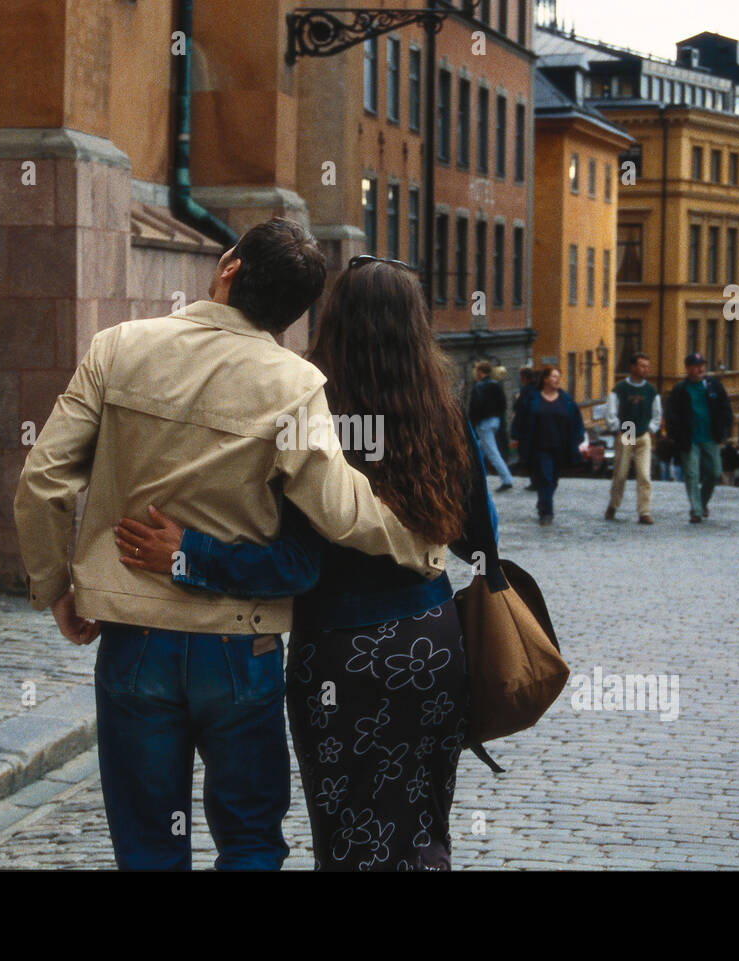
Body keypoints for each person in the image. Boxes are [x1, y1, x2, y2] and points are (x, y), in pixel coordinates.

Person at [13, 221, 445, 871]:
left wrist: (57, 588)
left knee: (149, 844)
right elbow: (340, 511)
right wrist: (424, 543)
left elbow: (42, 483)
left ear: (228, 267)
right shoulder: (295, 385)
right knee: (249, 841)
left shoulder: (119, 347)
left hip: (136, 639)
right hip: (241, 645)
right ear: (292, 313)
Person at [114, 256, 491, 871]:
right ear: (416, 326)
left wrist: (191, 554)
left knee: (348, 833)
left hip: (342, 653)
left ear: (333, 318)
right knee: (421, 821)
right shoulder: (441, 405)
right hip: (433, 641)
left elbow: (294, 565)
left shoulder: (307, 399)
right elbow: (480, 538)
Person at [663, 352, 734, 523]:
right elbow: (671, 415)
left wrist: (724, 429)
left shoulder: (713, 385)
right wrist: (676, 435)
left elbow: (725, 408)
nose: (701, 368)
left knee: (715, 472)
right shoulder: (680, 389)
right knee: (692, 474)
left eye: (702, 365)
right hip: (689, 439)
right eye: (696, 365)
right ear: (688, 369)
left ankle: (702, 503)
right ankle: (696, 510)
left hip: (710, 437)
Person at [604, 352, 661, 525]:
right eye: (642, 365)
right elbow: (611, 411)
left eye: (647, 366)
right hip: (627, 430)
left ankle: (644, 511)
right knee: (621, 473)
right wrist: (616, 427)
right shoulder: (620, 388)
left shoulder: (650, 390)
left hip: (643, 433)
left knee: (644, 475)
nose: (645, 369)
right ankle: (613, 504)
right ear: (633, 367)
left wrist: (651, 429)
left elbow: (657, 413)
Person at [525, 364, 586, 526]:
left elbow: (576, 420)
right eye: (553, 376)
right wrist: (519, 437)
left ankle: (543, 501)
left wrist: (579, 438)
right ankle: (547, 513)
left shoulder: (566, 399)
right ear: (545, 379)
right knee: (545, 478)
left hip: (561, 446)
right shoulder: (534, 398)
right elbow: (523, 419)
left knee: (553, 480)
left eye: (558, 376)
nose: (557, 379)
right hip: (540, 447)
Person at [469, 359, 514, 492]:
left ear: (480, 371)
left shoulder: (478, 387)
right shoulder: (496, 384)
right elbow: (503, 404)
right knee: (479, 449)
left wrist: (472, 421)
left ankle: (507, 479)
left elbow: (475, 407)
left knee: (492, 452)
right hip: (495, 420)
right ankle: (471, 475)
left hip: (484, 422)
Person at [510, 365, 539, 489]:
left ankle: (535, 482)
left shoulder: (526, 390)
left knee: (529, 456)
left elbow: (521, 408)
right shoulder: (538, 388)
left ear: (524, 377)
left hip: (527, 429)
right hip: (537, 427)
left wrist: (517, 400)